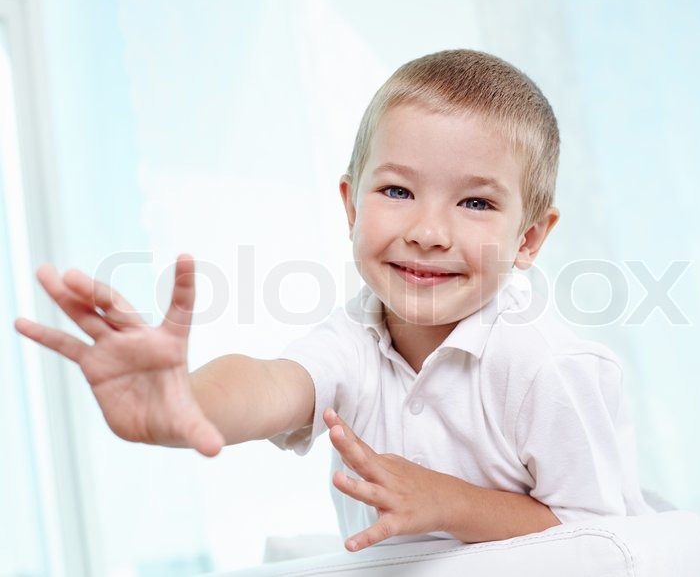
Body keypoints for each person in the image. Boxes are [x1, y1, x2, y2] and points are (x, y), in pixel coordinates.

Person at [15, 49, 652, 554]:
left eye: (476, 203)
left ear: (530, 237)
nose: (428, 231)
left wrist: (450, 502)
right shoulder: (355, 336)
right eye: (398, 191)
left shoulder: (548, 367)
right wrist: (186, 399)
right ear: (350, 204)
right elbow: (272, 384)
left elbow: (601, 544)